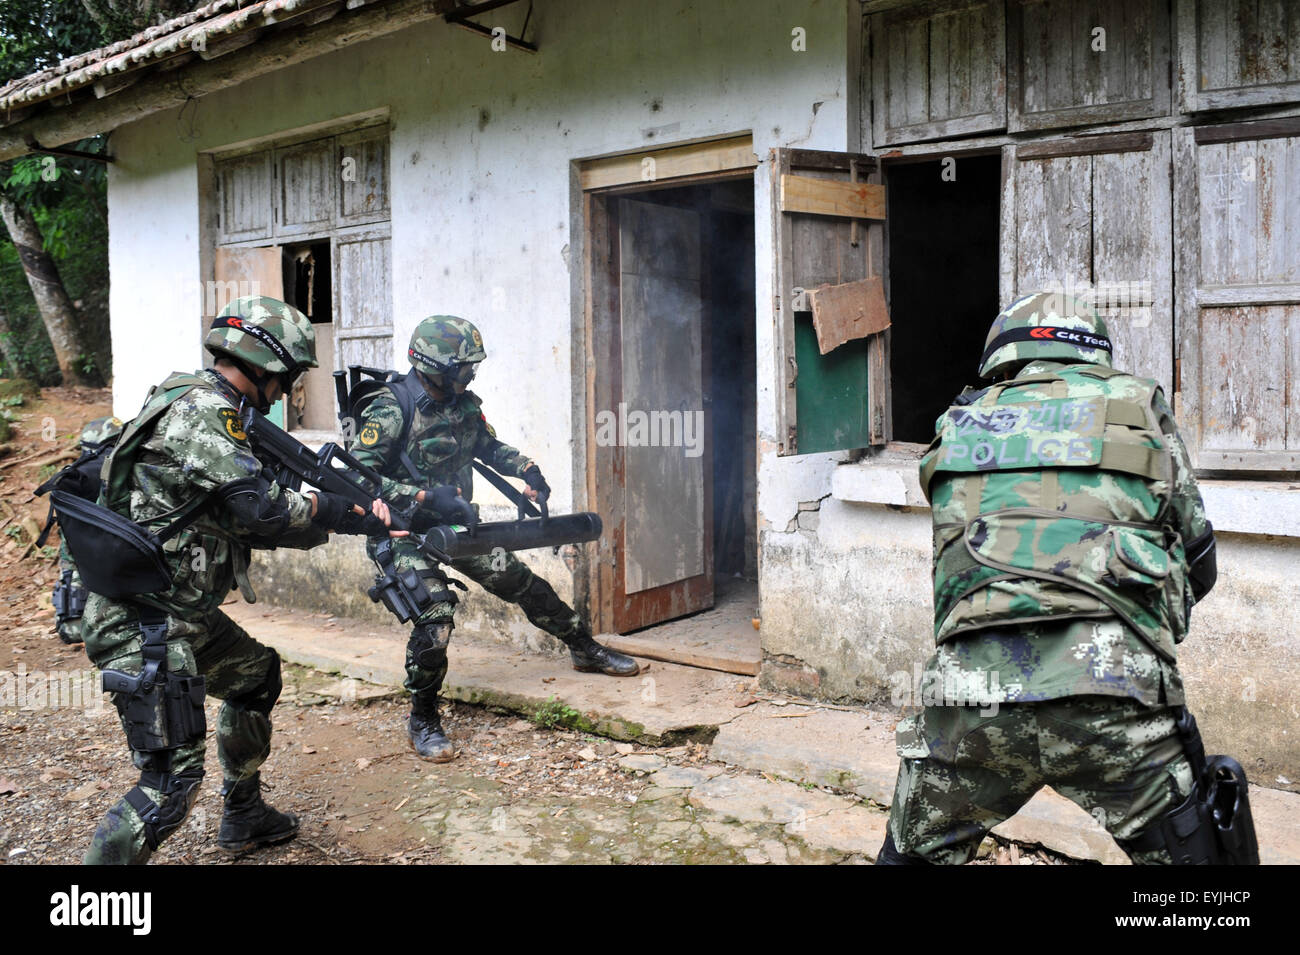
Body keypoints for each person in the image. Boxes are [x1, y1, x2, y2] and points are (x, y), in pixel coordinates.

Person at [877, 291, 1226, 865]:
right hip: (1117, 691)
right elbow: (1200, 560)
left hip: (971, 698)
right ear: (1092, 352)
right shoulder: (1139, 405)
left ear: (1003, 358)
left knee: (910, 857)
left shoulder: (957, 427)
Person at [81, 296, 395, 865]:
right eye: (290, 376)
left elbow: (241, 519)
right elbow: (257, 508)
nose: (288, 390)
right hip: (142, 621)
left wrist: (351, 520)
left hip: (181, 613)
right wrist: (333, 509)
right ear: (266, 364)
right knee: (168, 787)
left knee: (255, 677)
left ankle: (244, 812)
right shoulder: (205, 410)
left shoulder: (217, 410)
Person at [349, 315, 639, 762]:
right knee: (436, 615)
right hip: (403, 532)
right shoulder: (390, 410)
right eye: (463, 367)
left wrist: (526, 469)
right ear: (434, 365)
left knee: (524, 583)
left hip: (460, 530)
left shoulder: (463, 405)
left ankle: (584, 648)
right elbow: (353, 478)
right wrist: (423, 495)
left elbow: (488, 447)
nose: (471, 374)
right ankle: (422, 718)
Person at [52, 416, 123, 644]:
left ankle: (73, 620)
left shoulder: (80, 473)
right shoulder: (129, 466)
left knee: (73, 561)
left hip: (85, 546)